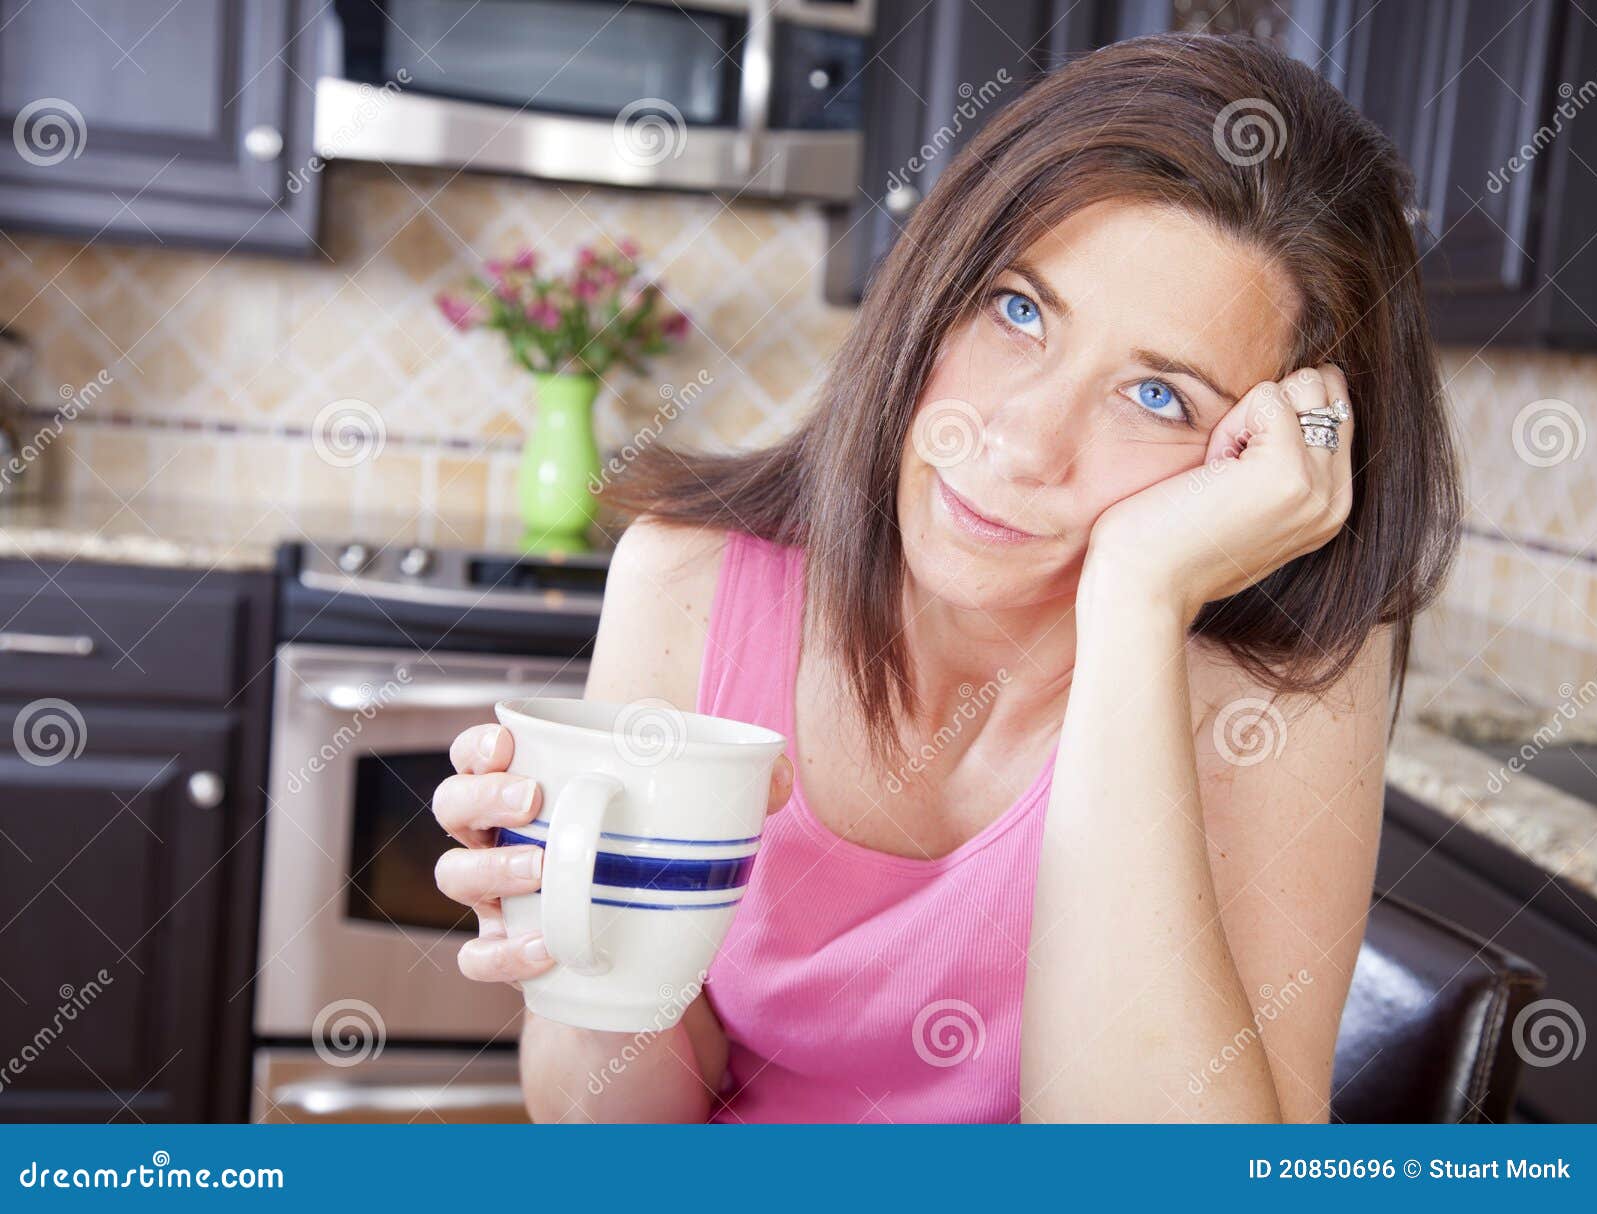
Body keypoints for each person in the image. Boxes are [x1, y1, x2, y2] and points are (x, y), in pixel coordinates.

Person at [430, 33, 1461, 1123]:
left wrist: (1135, 603)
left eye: (1160, 396)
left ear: (1259, 452)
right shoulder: (687, 582)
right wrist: (586, 964)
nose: (1021, 443)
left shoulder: (1277, 687)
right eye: (1018, 310)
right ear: (938, 280)